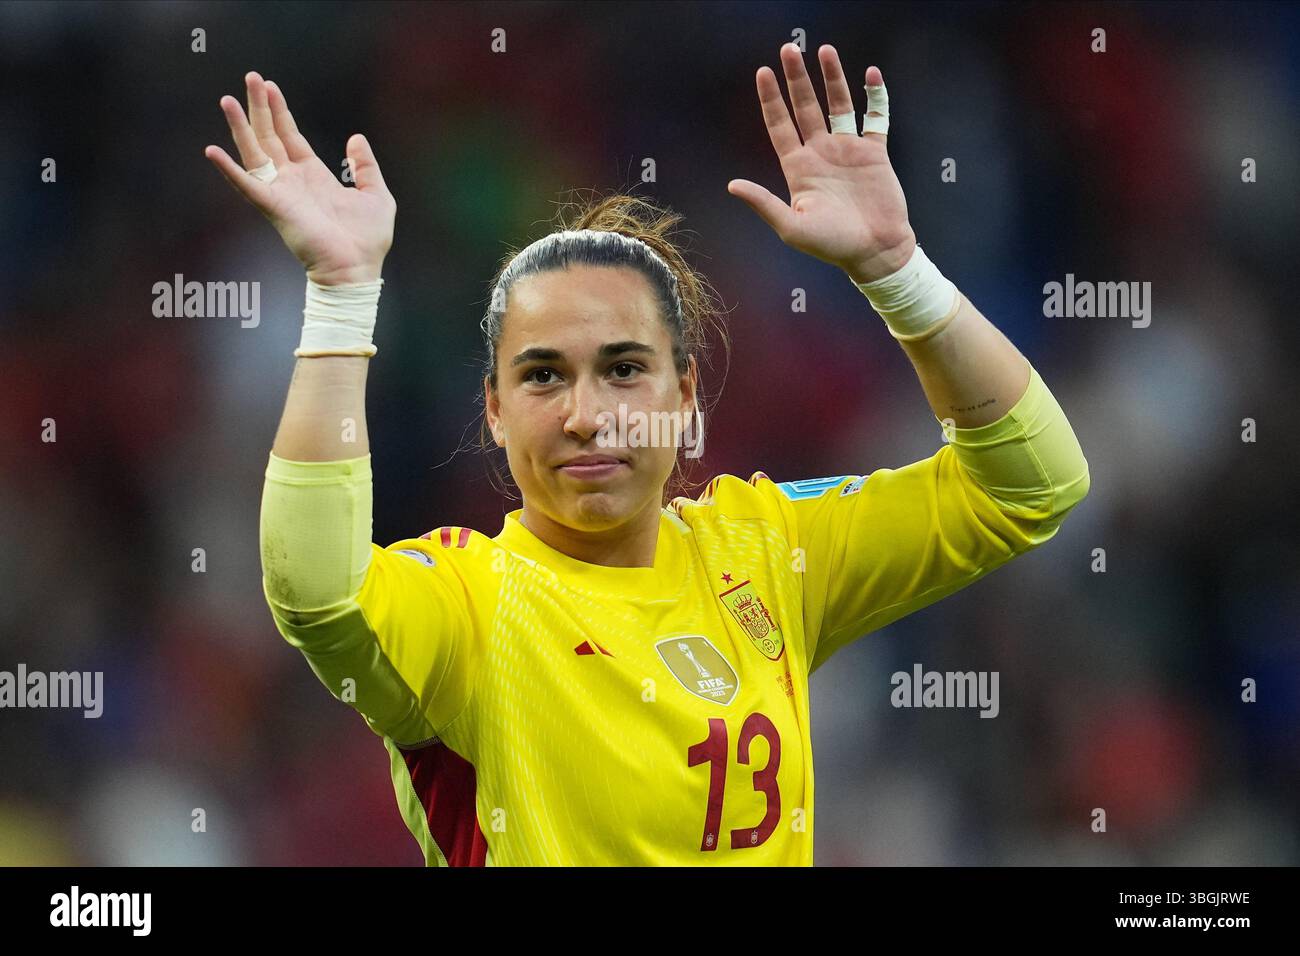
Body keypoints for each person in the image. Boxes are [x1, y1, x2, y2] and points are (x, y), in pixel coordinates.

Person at [205, 43, 1089, 866]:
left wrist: (898, 270)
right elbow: (316, 593)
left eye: (624, 370)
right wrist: (341, 295)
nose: (588, 416)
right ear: (496, 411)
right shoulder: (472, 608)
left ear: (686, 396)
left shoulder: (766, 550)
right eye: (543, 377)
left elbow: (1031, 483)